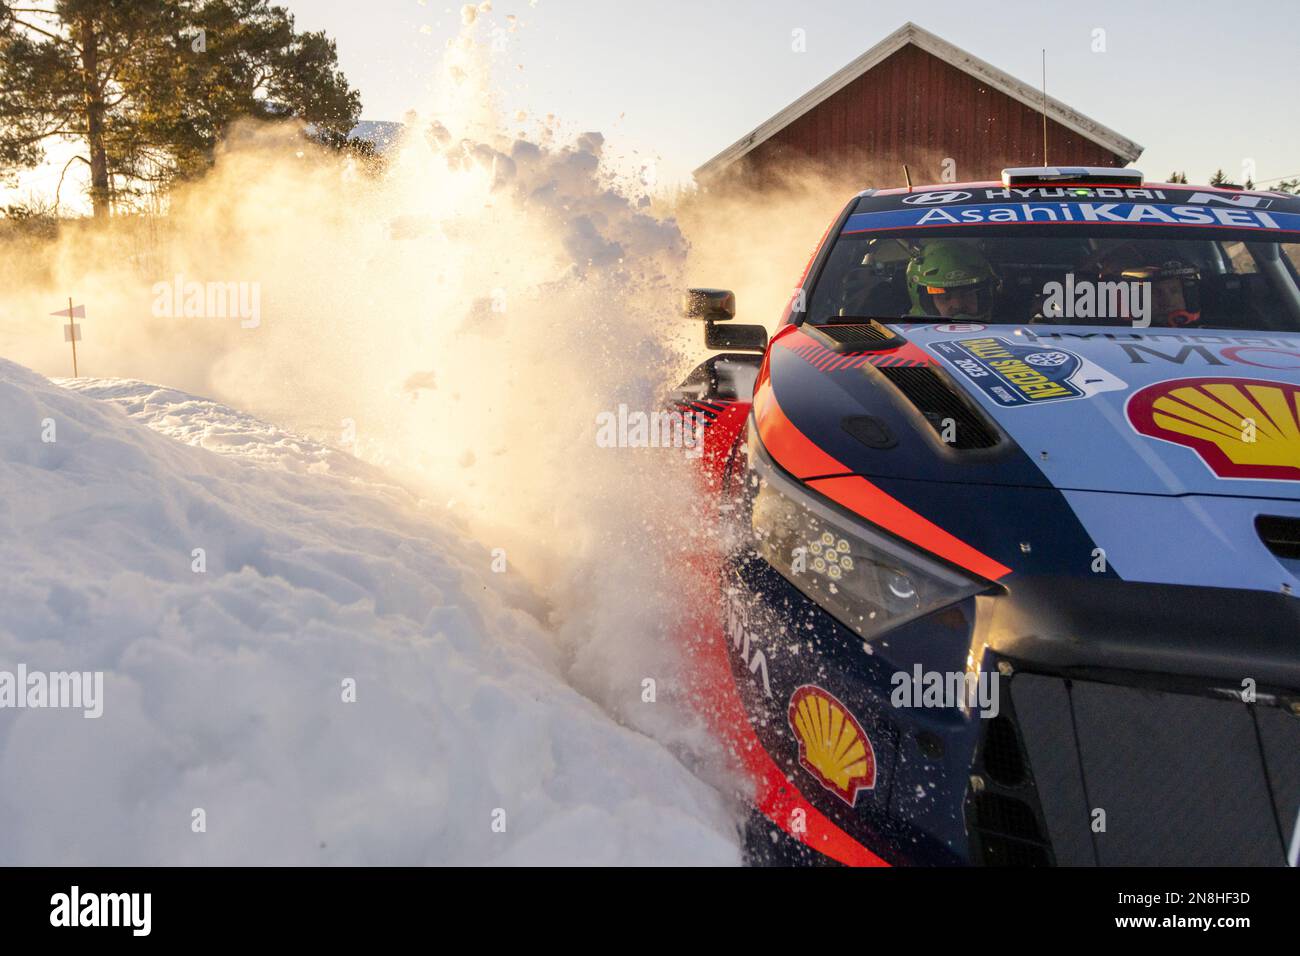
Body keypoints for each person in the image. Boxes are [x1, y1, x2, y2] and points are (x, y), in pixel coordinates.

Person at [906, 240, 998, 320]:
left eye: (967, 294)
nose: (958, 305)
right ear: (926, 301)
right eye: (945, 297)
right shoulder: (904, 337)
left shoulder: (1010, 330)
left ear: (983, 296)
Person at [1121, 259, 1202, 326]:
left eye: (1174, 291)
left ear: (1188, 295)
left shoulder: (1210, 328)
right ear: (1136, 299)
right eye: (1155, 293)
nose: (1167, 302)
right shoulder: (1115, 329)